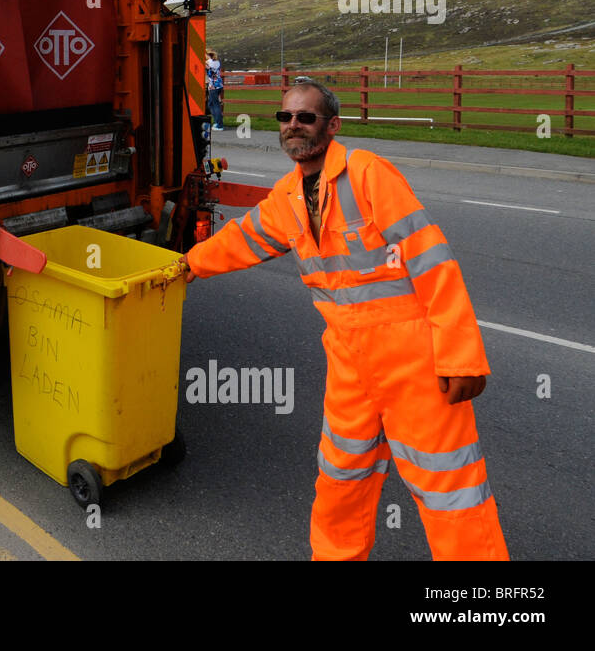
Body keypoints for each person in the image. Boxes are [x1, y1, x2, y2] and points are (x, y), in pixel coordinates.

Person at [178, 79, 508, 561]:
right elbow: (242, 240)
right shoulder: (288, 195)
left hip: (412, 357)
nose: (293, 126)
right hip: (347, 358)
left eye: (306, 117)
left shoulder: (368, 174)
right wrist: (189, 264)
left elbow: (431, 261)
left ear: (331, 125)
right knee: (341, 475)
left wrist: (462, 356)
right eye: (285, 117)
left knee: (448, 488)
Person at [205, 50, 224, 130]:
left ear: (207, 55)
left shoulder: (209, 62)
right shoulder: (217, 62)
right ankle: (217, 122)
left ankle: (219, 125)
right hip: (218, 86)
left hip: (213, 87)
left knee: (215, 105)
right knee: (211, 104)